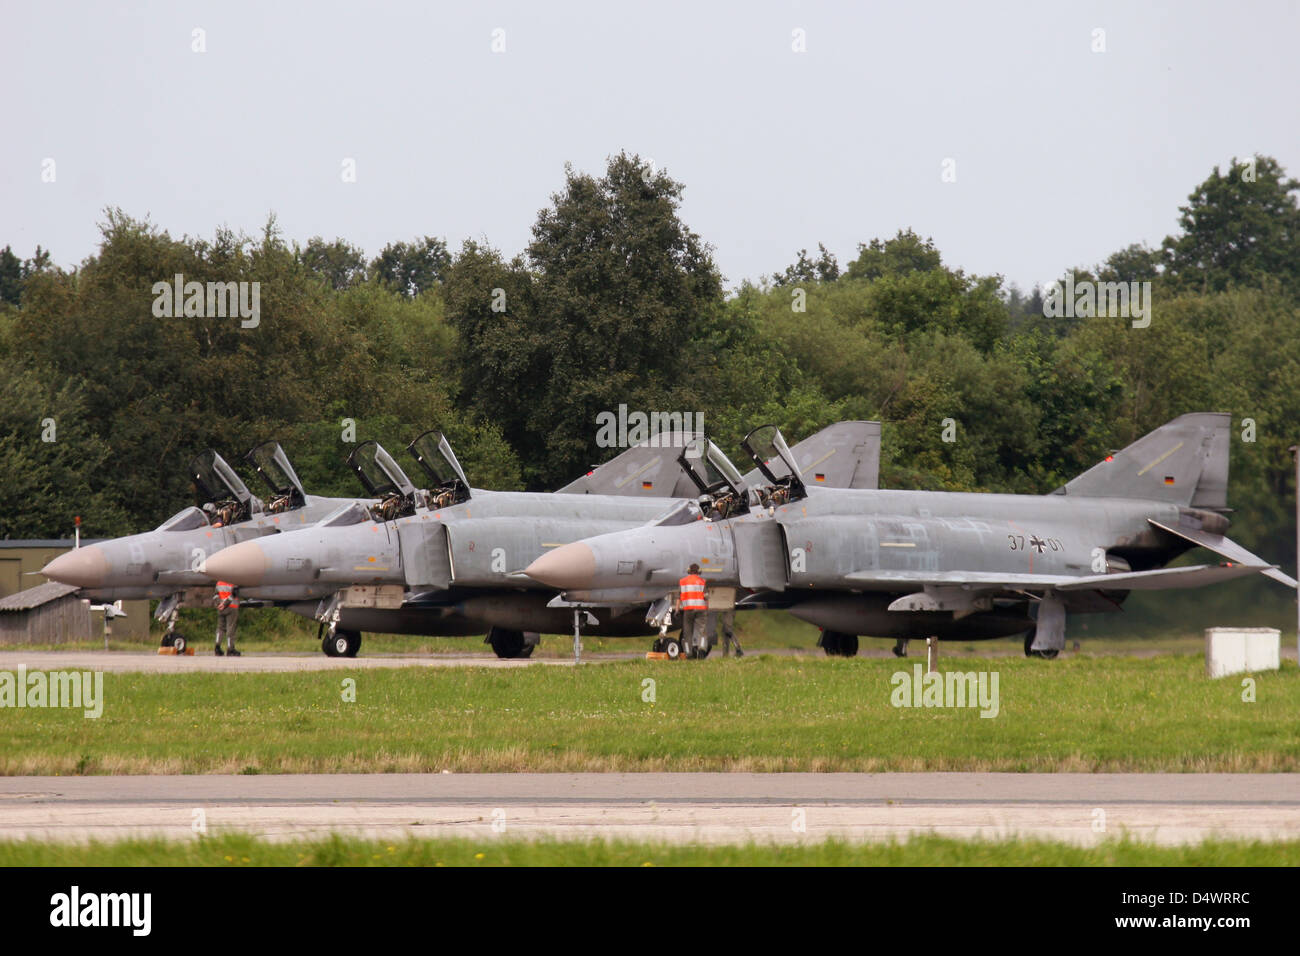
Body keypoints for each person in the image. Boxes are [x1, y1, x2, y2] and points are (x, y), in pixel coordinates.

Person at [676, 563, 708, 657]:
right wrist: (706, 610)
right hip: (701, 610)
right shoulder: (702, 581)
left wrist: (677, 610)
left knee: (687, 633)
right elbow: (706, 598)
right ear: (698, 572)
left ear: (689, 571)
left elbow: (679, 597)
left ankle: (688, 653)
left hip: (688, 610)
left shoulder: (683, 581)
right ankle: (701, 650)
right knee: (701, 630)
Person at [214, 580, 241, 657]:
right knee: (231, 628)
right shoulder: (232, 580)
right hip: (232, 607)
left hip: (221, 608)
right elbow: (234, 594)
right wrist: (225, 604)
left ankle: (217, 647)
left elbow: (215, 595)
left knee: (220, 628)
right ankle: (230, 649)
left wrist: (219, 604)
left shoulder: (219, 582)